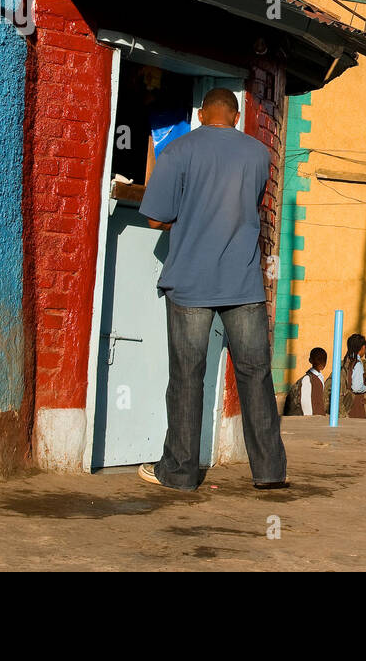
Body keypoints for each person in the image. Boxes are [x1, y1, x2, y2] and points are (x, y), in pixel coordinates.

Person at [137, 87, 287, 492]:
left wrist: (186, 215)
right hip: (243, 284)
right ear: (236, 118)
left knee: (187, 376)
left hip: (190, 283)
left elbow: (154, 219)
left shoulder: (179, 151)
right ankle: (270, 471)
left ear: (202, 115)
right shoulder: (259, 154)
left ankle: (180, 473)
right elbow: (248, 206)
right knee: (255, 375)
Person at [283, 347, 328, 416]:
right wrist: (309, 418)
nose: (321, 362)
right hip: (312, 419)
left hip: (319, 418)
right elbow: (305, 402)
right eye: (318, 359)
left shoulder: (320, 377)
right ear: (310, 361)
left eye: (324, 360)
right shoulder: (307, 379)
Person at [339, 334, 366, 419]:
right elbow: (356, 387)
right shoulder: (357, 363)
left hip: (344, 400)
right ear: (363, 347)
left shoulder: (346, 361)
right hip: (354, 403)